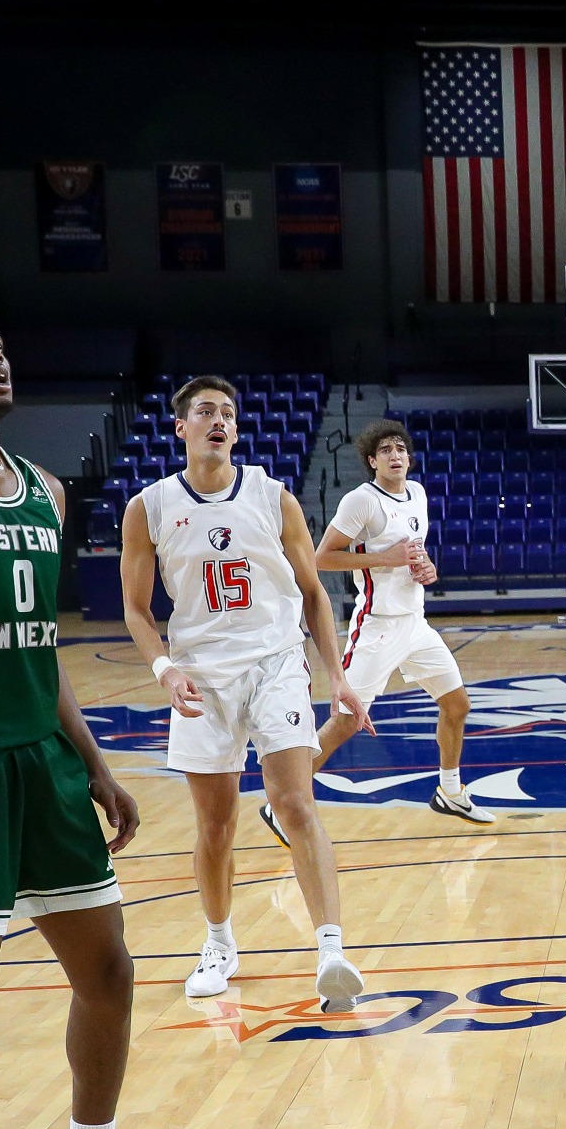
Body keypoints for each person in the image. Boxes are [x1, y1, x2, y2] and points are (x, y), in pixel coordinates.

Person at [0, 289, 140, 1129]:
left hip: (43, 764)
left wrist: (92, 761)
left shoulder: (45, 491)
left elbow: (38, 648)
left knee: (110, 972)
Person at [120, 376, 369, 1012]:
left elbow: (313, 592)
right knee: (217, 824)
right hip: (201, 675)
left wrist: (336, 674)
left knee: (294, 803)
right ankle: (219, 943)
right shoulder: (148, 507)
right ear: (180, 428)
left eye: (227, 412)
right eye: (205, 411)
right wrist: (164, 671)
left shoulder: (272, 496)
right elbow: (136, 609)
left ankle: (332, 950)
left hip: (275, 663)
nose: (218, 421)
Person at [257, 420, 493, 842]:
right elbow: (321, 558)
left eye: (400, 448)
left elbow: (413, 554)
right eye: (385, 450)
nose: (395, 455)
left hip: (415, 625)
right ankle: (282, 804)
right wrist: (384, 559)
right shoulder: (361, 501)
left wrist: (427, 568)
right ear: (372, 460)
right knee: (346, 724)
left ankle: (450, 791)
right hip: (376, 628)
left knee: (457, 705)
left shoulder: (417, 494)